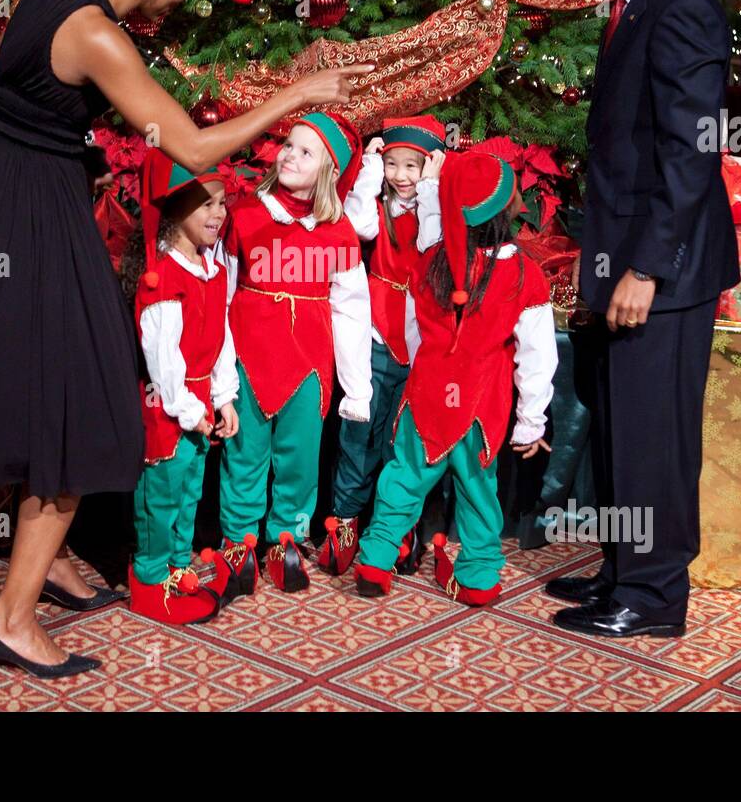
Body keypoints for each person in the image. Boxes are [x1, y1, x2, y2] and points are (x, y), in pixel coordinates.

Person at [0, 0, 372, 678]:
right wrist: (296, 94)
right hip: (24, 212)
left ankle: (41, 563)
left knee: (41, 391)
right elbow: (190, 150)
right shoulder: (99, 36)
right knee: (82, 407)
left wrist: (47, 122)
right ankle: (12, 621)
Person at [549, 0, 740, 638]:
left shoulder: (682, 6)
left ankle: (656, 596)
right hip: (621, 257)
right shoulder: (637, 1)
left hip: (664, 267)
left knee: (654, 431)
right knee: (621, 425)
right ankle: (623, 571)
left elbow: (692, 154)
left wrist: (644, 269)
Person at [352, 150, 558, 606]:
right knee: (478, 490)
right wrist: (532, 421)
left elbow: (430, 233)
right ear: (507, 209)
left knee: (404, 477)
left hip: (427, 395)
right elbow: (537, 356)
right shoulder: (525, 275)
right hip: (481, 406)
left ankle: (376, 559)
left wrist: (432, 188)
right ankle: (479, 577)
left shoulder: (432, 260)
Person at [207, 111, 373, 598]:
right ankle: (239, 539)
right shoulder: (245, 214)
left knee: (300, 458)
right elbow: (222, 290)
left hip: (309, 364)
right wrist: (221, 373)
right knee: (244, 454)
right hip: (251, 354)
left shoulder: (338, 232)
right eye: (288, 145)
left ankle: (287, 538)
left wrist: (357, 386)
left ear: (328, 170)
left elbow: (352, 311)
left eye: (305, 151)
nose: (289, 155)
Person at [316, 116, 445, 577]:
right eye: (394, 163)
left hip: (420, 338)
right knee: (358, 433)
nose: (402, 175)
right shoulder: (379, 206)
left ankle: (396, 526)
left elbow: (432, 242)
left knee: (400, 438)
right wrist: (370, 167)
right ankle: (346, 520)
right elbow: (356, 223)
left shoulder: (436, 209)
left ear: (430, 167)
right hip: (374, 331)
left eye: (414, 166)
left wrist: (431, 189)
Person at [118, 149, 237, 626]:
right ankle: (149, 579)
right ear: (175, 211)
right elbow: (162, 358)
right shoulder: (162, 277)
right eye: (206, 204)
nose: (218, 214)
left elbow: (222, 336)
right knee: (161, 493)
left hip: (201, 401)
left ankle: (178, 567)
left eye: (222, 203)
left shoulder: (215, 268)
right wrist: (188, 408)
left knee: (190, 490)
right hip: (169, 407)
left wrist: (224, 396)